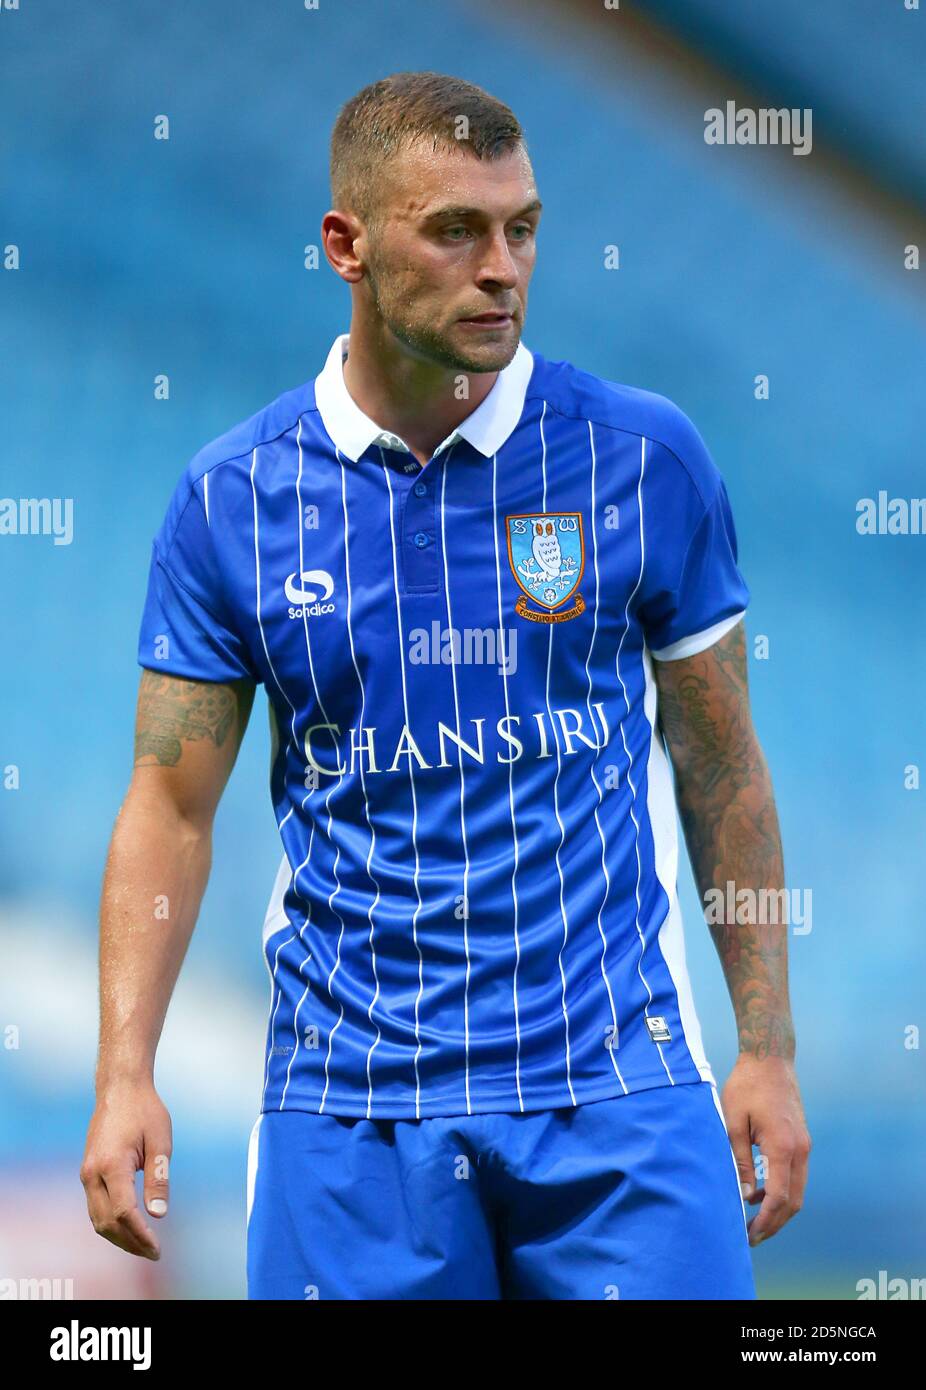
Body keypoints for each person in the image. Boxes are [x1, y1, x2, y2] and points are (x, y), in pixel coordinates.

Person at [80, 70, 810, 1300]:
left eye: (521, 228)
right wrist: (121, 1073)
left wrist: (767, 1052)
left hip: (615, 1093)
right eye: (456, 230)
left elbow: (721, 766)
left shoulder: (642, 460)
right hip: (349, 1113)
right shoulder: (231, 502)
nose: (502, 267)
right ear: (346, 246)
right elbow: (169, 807)